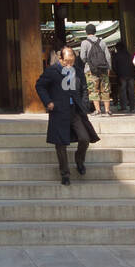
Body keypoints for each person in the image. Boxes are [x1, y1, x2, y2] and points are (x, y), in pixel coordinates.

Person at [35, 45, 98, 186]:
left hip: (75, 110)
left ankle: (79, 160)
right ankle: (65, 174)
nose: (69, 63)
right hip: (58, 110)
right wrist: (48, 101)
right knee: (60, 144)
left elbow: (83, 88)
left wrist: (84, 104)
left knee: (84, 138)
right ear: (60, 59)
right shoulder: (52, 71)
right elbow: (40, 85)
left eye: (72, 60)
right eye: (67, 60)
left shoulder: (78, 71)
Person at [79, 23, 114, 116]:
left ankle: (98, 110)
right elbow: (108, 56)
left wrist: (88, 62)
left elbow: (82, 56)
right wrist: (109, 68)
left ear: (86, 32)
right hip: (103, 69)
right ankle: (107, 110)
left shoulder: (84, 43)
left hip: (90, 70)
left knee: (93, 89)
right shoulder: (102, 42)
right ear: (95, 31)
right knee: (105, 89)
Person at [112, 39, 135, 114]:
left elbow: (114, 66)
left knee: (123, 91)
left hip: (121, 75)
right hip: (130, 74)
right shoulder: (129, 54)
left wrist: (116, 73)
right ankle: (132, 106)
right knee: (131, 90)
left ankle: (124, 106)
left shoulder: (116, 55)